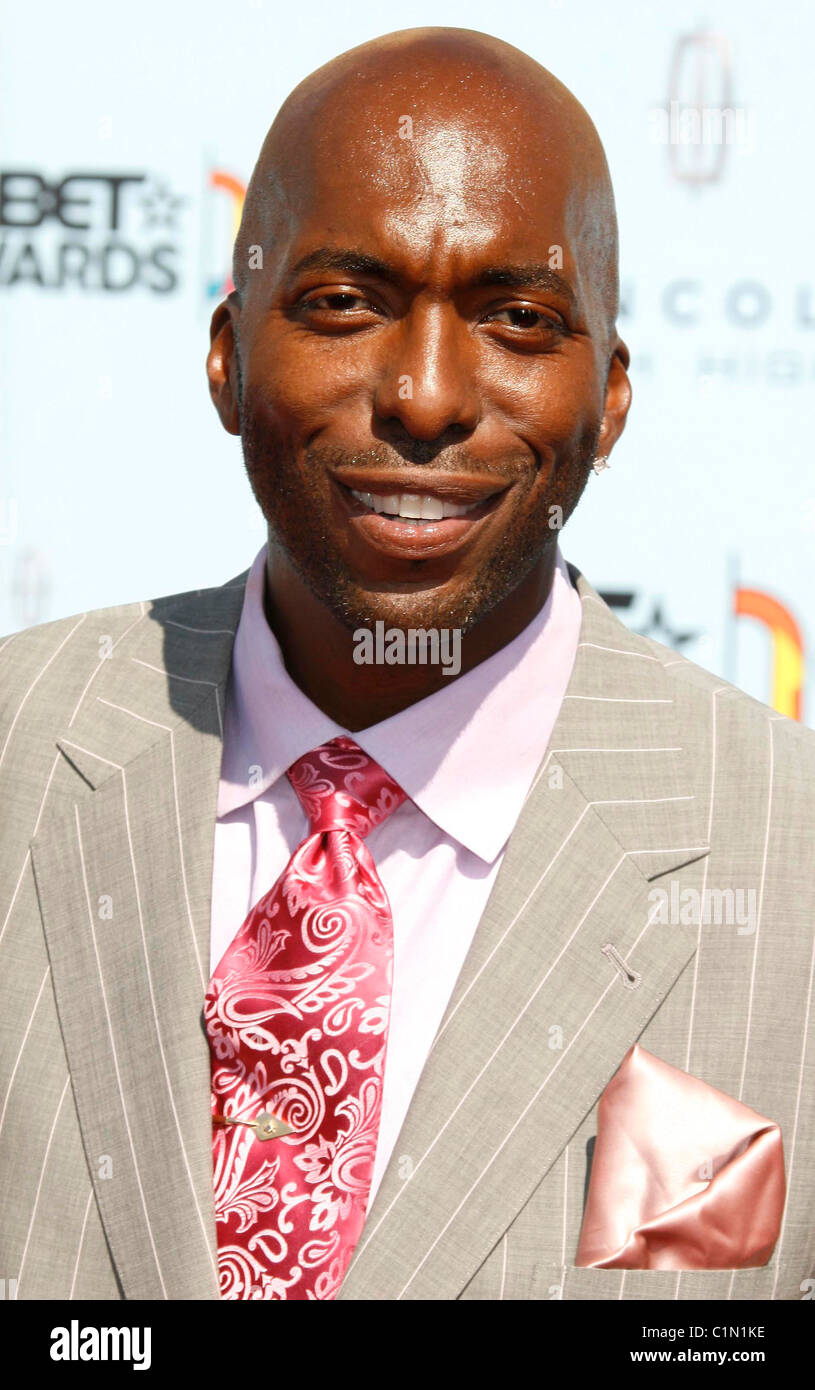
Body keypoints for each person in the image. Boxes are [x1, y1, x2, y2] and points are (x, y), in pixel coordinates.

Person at [1, 26, 813, 1303]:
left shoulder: (787, 854)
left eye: (515, 317)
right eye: (344, 302)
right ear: (226, 355)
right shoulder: (18, 746)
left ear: (608, 399)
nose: (425, 396)